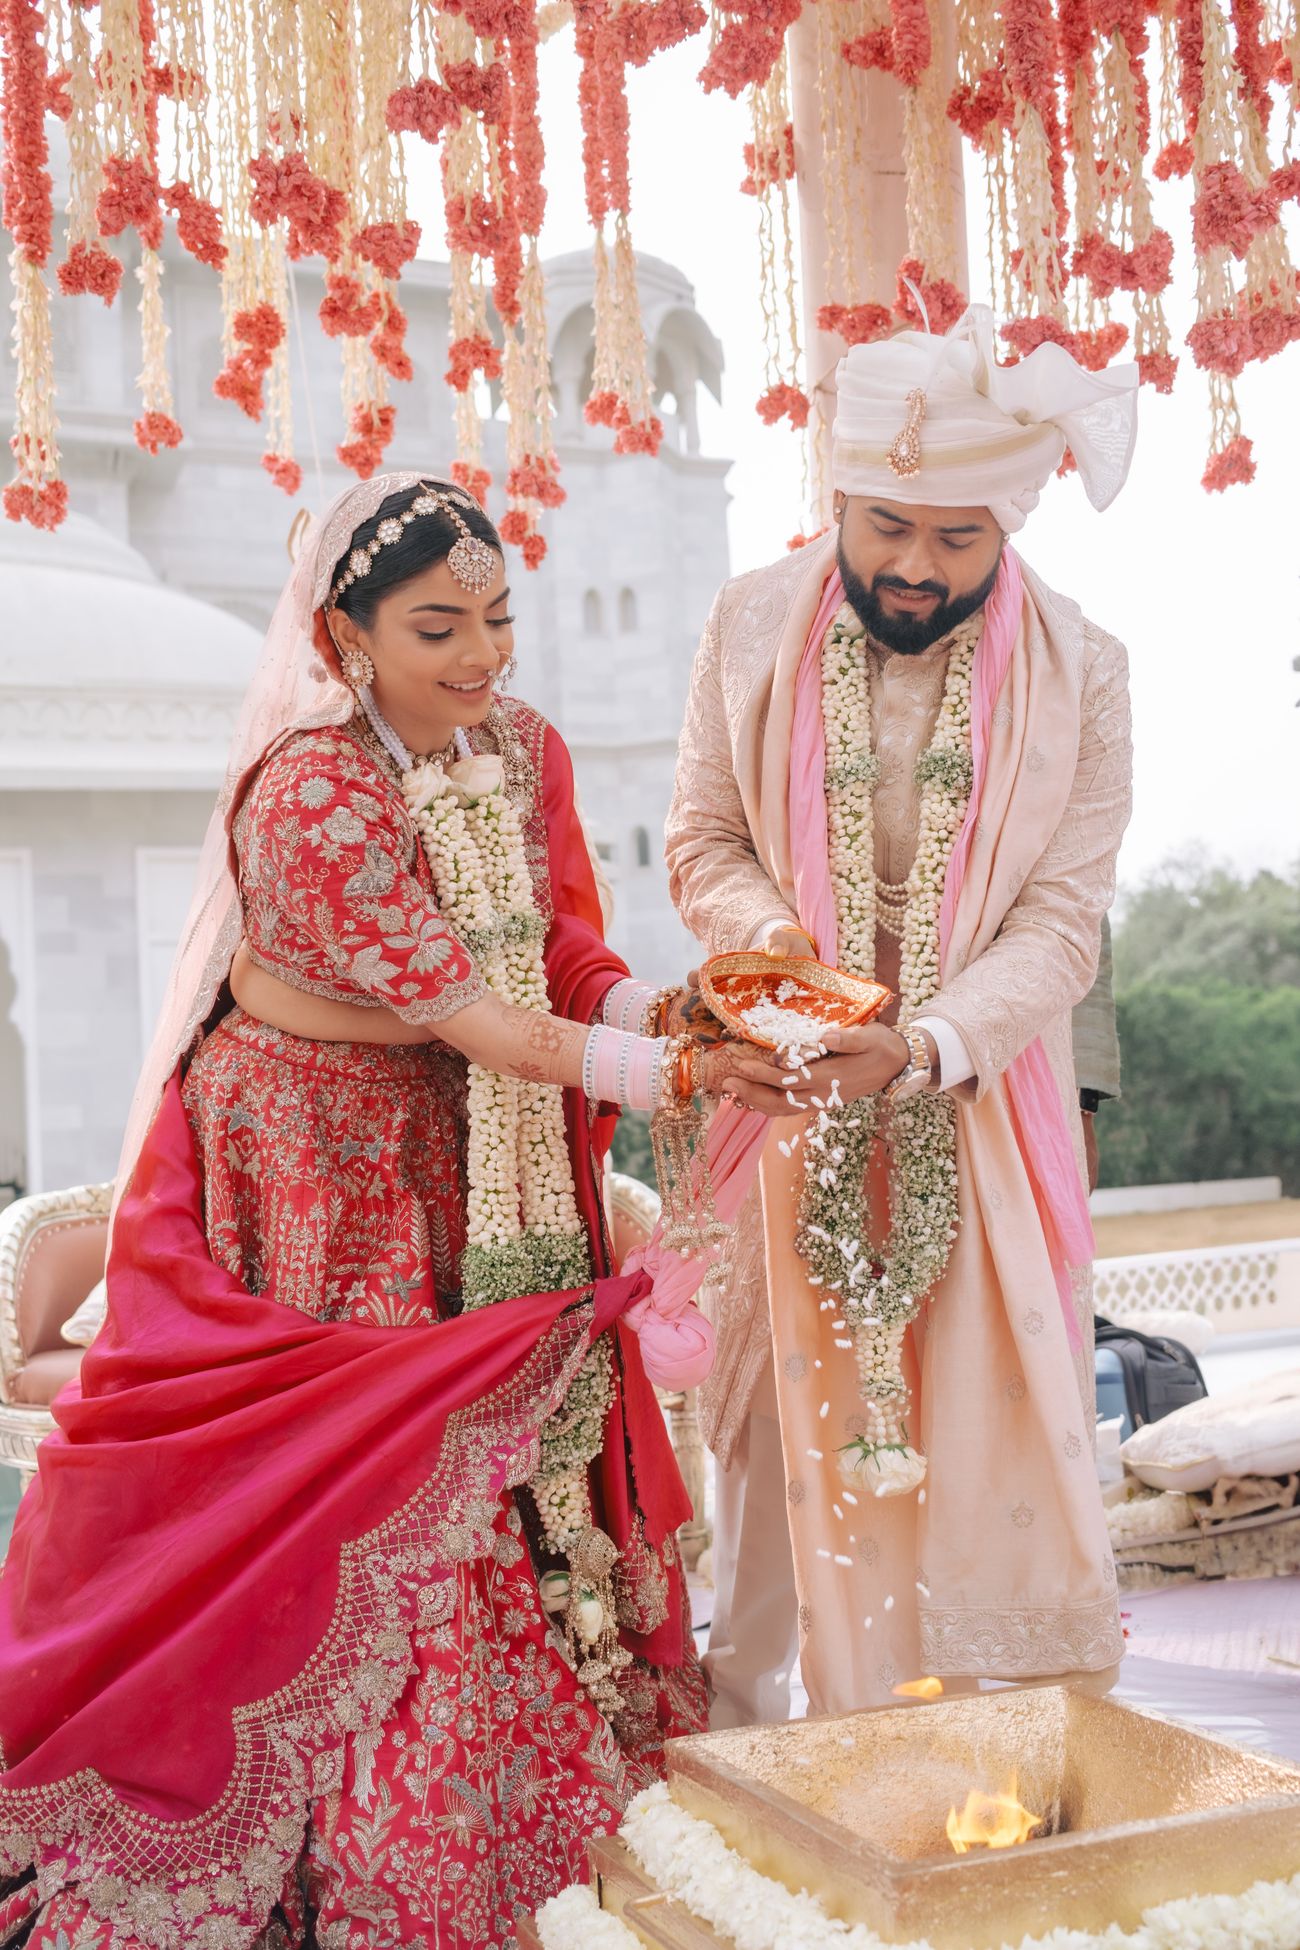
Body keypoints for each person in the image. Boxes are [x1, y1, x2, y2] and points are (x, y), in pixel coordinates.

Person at [0, 473, 795, 1950]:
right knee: (364, 1473)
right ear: (346, 636)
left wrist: (664, 1008)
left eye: (499, 617)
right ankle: (364, 1863)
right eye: (440, 625)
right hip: (306, 1169)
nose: (484, 653)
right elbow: (468, 1005)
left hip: (462, 1155)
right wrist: (673, 1068)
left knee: (481, 1475)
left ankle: (525, 1844)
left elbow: (553, 947)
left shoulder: (522, 750)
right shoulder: (311, 791)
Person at [665, 307, 1138, 1720]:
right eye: (887, 529)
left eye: (957, 540)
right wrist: (796, 971)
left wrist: (922, 1045)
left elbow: (1062, 920)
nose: (914, 568)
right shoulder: (751, 623)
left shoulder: (1085, 666)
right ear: (838, 497)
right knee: (766, 1440)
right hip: (788, 1087)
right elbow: (702, 839)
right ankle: (766, 1769)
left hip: (980, 1097)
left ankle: (983, 1765)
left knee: (984, 1425)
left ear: (1008, 525)